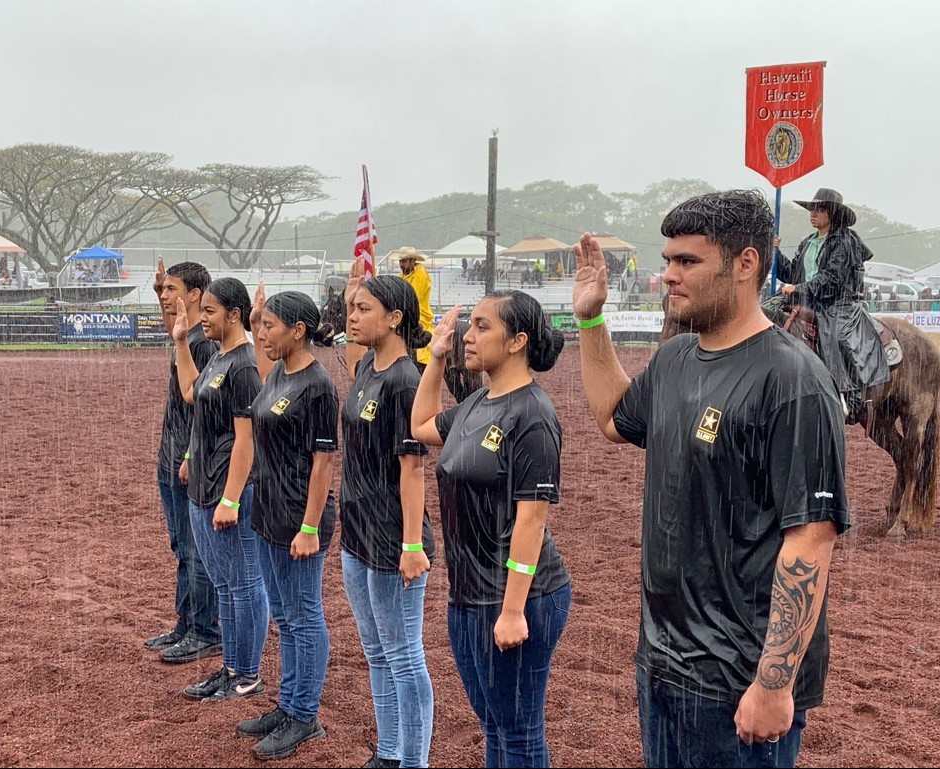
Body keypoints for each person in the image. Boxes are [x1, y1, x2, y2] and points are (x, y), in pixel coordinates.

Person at [574, 189, 850, 769]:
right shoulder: (674, 360)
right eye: (668, 259)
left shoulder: (793, 380)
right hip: (661, 663)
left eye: (688, 262)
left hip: (737, 684)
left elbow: (811, 539)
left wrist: (774, 685)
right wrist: (592, 318)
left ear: (746, 264)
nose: (668, 275)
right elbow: (611, 418)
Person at [411, 293, 571, 768]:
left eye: (482, 326)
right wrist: (436, 359)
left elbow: (532, 517)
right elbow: (420, 424)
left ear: (518, 341)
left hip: (519, 598)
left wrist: (513, 610)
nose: (468, 335)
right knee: (493, 723)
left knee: (518, 732)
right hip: (468, 595)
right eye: (469, 326)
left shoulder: (534, 414)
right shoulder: (477, 401)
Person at [340, 257, 435, 769]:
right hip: (356, 533)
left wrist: (412, 544)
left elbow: (413, 470)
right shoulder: (362, 368)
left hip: (394, 538)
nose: (352, 316)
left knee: (403, 655)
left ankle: (413, 760)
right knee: (376, 652)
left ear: (395, 317)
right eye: (349, 307)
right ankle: (390, 750)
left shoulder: (405, 381)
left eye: (363, 308)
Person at [236, 286, 338, 761]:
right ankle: (289, 703)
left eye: (270, 325)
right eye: (259, 325)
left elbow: (323, 462)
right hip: (268, 512)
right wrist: (257, 315)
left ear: (298, 331)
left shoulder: (317, 385)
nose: (261, 333)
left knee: (303, 616)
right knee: (284, 617)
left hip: (300, 517)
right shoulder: (278, 370)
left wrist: (311, 527)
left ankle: (305, 716)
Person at [172, 277, 267, 702]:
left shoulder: (245, 364)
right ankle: (230, 666)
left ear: (234, 314)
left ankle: (247, 673)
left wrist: (231, 497)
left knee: (245, 584)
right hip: (205, 488)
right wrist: (179, 343)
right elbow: (192, 395)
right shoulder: (217, 356)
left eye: (210, 311)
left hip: (232, 493)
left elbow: (246, 439)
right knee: (226, 585)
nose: (202, 318)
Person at [144, 258, 222, 665]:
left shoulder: (204, 343)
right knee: (181, 545)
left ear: (194, 294)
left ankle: (206, 630)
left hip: (188, 458)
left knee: (195, 550)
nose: (166, 296)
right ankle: (186, 622)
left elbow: (204, 407)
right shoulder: (185, 336)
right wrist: (161, 298)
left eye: (172, 289)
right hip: (169, 453)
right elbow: (171, 326)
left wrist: (192, 453)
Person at [774, 188, 889, 423]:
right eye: (811, 209)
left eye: (819, 209)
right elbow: (792, 273)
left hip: (839, 303)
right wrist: (774, 252)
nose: (812, 213)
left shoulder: (845, 241)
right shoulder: (808, 242)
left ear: (833, 214)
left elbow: (832, 279)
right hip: (810, 299)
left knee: (834, 335)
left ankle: (849, 395)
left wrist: (798, 289)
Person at [397, 246, 435, 370]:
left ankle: (421, 363)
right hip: (403, 314)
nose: (401, 264)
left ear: (413, 261)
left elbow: (412, 300)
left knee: (414, 339)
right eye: (400, 261)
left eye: (404, 261)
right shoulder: (402, 275)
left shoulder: (420, 274)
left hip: (418, 316)